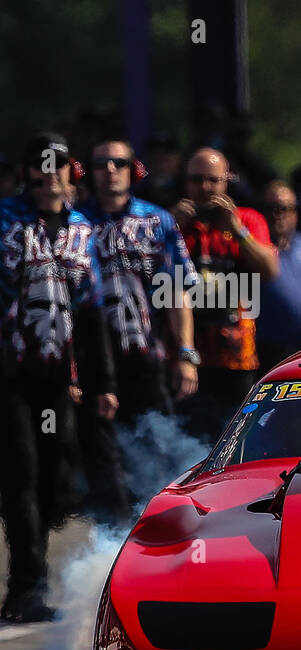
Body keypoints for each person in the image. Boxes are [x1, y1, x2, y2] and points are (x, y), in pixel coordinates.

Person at [0, 133, 117, 622]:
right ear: (28, 171)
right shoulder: (5, 221)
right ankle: (27, 587)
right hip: (10, 375)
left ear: (71, 172)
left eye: (58, 165)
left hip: (58, 377)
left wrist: (103, 381)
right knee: (21, 474)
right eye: (40, 164)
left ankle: (35, 575)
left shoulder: (83, 230)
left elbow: (92, 313)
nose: (50, 173)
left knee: (56, 480)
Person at [80, 137, 200, 521]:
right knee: (104, 465)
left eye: (118, 162)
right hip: (94, 363)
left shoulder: (157, 220)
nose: (110, 170)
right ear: (88, 171)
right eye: (101, 163)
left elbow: (178, 291)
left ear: (134, 170)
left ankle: (168, 536)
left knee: (161, 452)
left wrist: (186, 354)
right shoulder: (74, 223)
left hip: (150, 357)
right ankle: (110, 552)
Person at [173, 146, 278, 441]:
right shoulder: (170, 222)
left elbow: (270, 271)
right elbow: (148, 274)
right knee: (187, 439)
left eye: (212, 180)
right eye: (196, 180)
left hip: (236, 355)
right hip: (187, 356)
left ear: (227, 181)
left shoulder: (247, 219)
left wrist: (237, 230)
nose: (205, 188)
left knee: (236, 440)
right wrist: (174, 228)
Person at [258, 180, 301, 370]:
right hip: (266, 352)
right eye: (270, 208)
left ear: (295, 213)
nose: (277, 215)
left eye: (284, 208)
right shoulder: (255, 248)